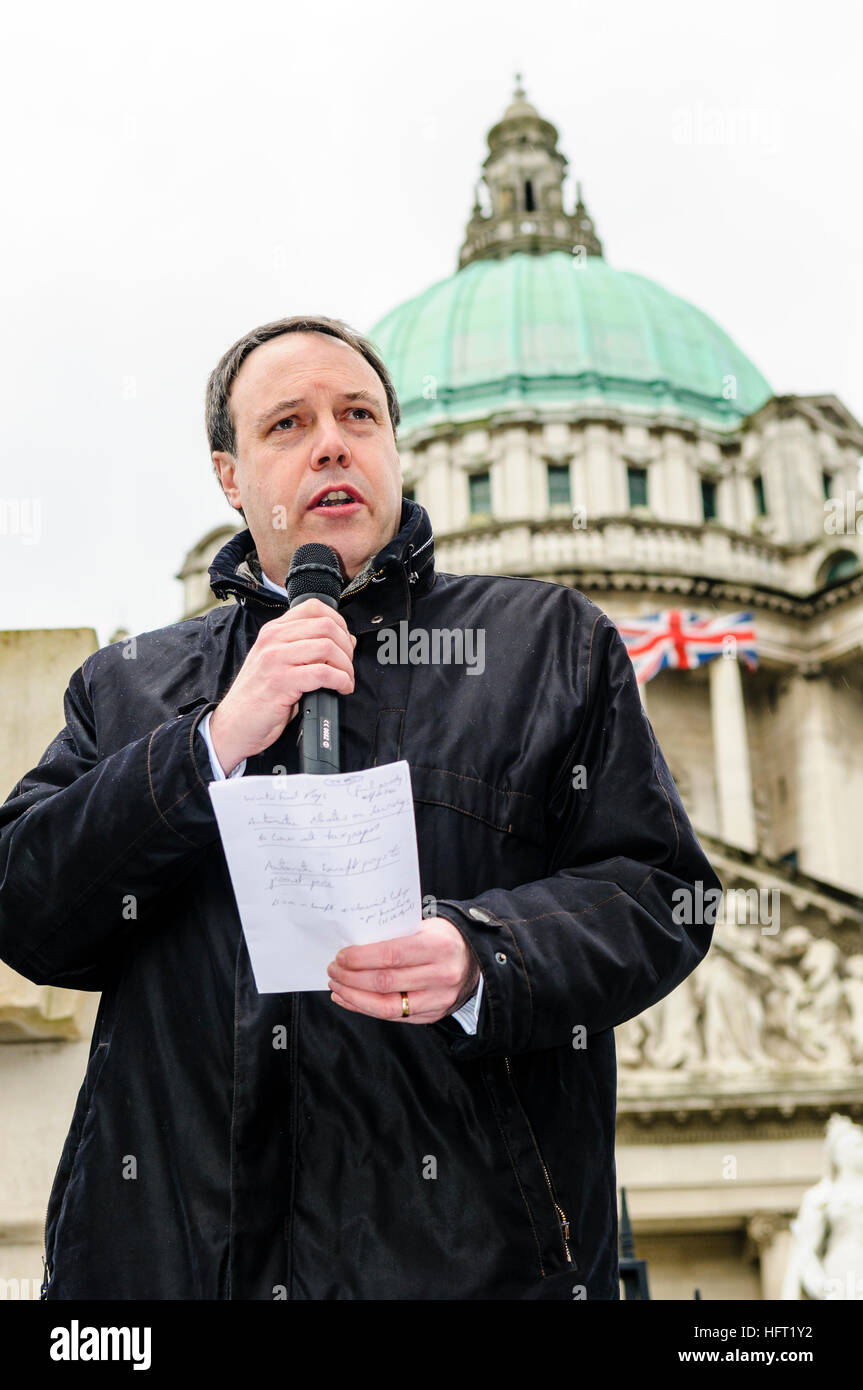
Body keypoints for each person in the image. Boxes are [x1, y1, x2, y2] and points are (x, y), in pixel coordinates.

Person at [0, 314, 720, 1301]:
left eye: (358, 415)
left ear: (392, 446)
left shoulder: (548, 644)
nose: (331, 441)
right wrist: (206, 745)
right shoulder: (128, 688)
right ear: (229, 475)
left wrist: (484, 952)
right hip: (175, 1271)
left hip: (471, 1272)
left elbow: (660, 891)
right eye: (287, 424)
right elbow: (27, 908)